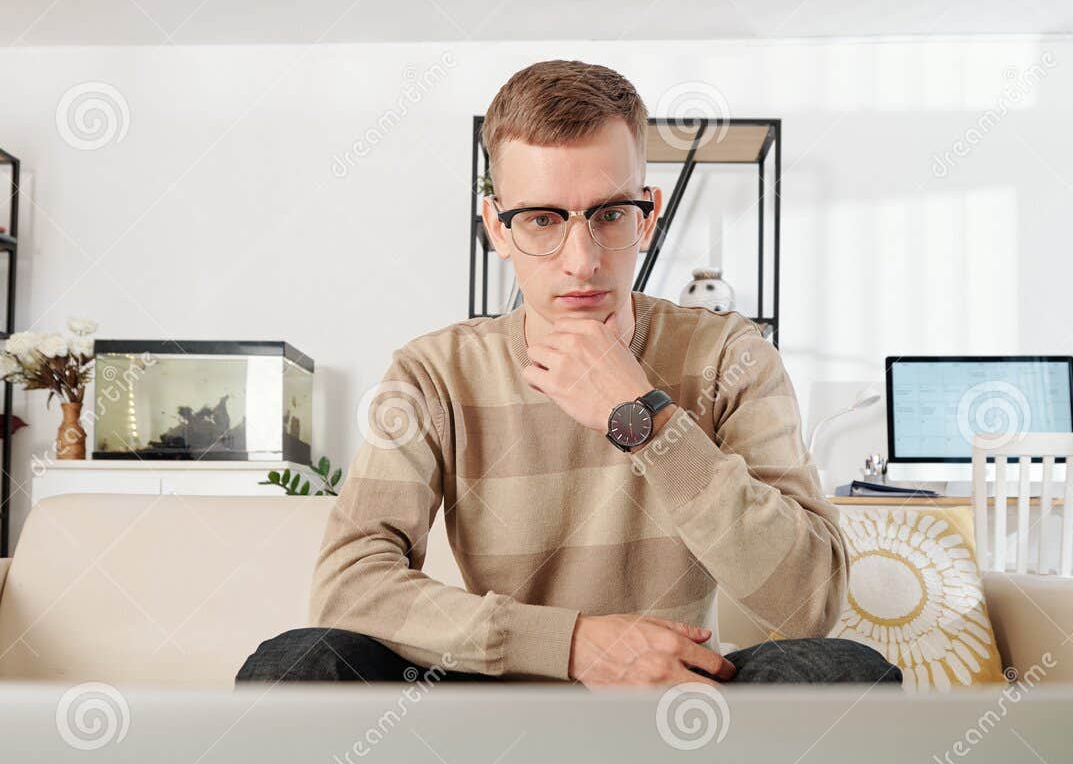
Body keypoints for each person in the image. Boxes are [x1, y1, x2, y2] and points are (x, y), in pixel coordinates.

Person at [237, 61, 899, 689]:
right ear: (497, 226)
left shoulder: (730, 355)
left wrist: (646, 420)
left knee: (843, 673)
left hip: (676, 694)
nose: (581, 261)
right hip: (495, 695)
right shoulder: (434, 372)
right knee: (298, 663)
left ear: (649, 213)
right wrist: (578, 645)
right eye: (543, 219)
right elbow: (349, 583)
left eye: (610, 215)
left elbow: (807, 601)